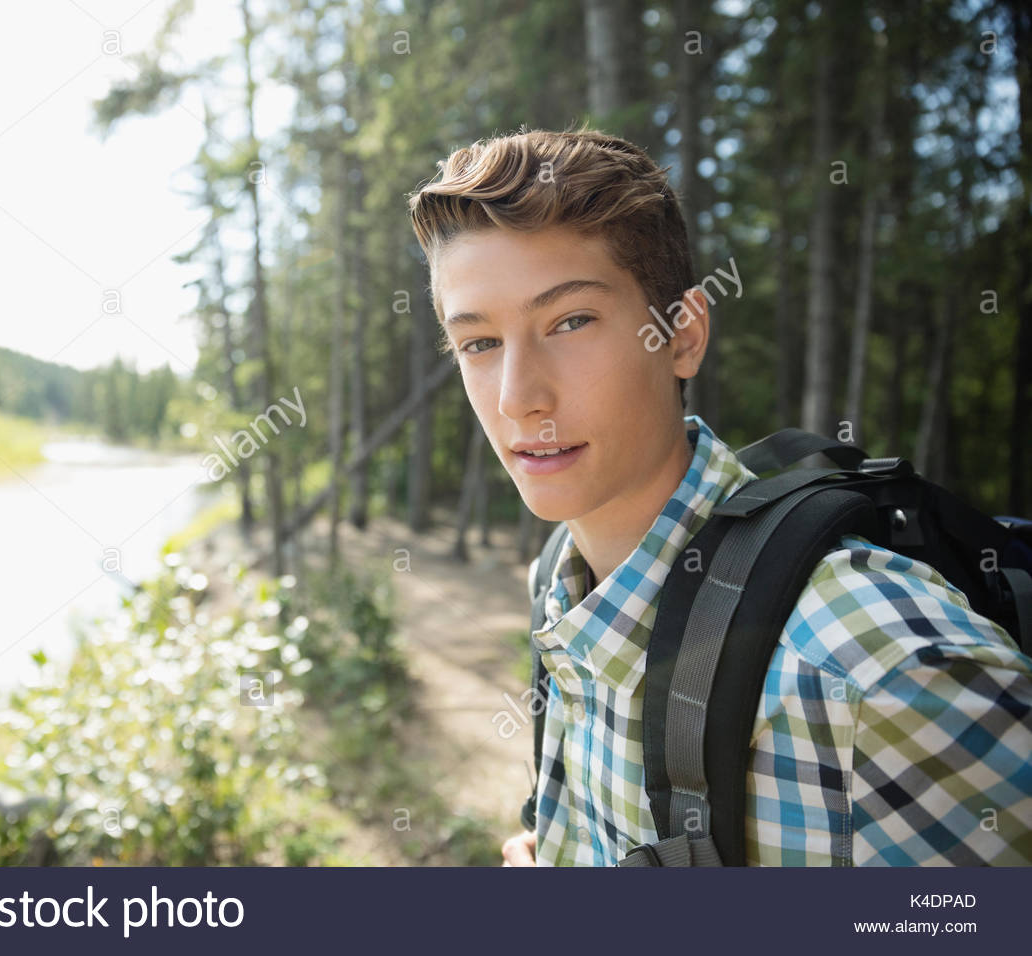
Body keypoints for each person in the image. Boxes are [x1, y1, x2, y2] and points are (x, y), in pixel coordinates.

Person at [405, 125, 1032, 866]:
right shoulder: (563, 581)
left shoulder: (878, 672)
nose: (517, 399)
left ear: (683, 335)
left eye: (570, 322)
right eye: (480, 343)